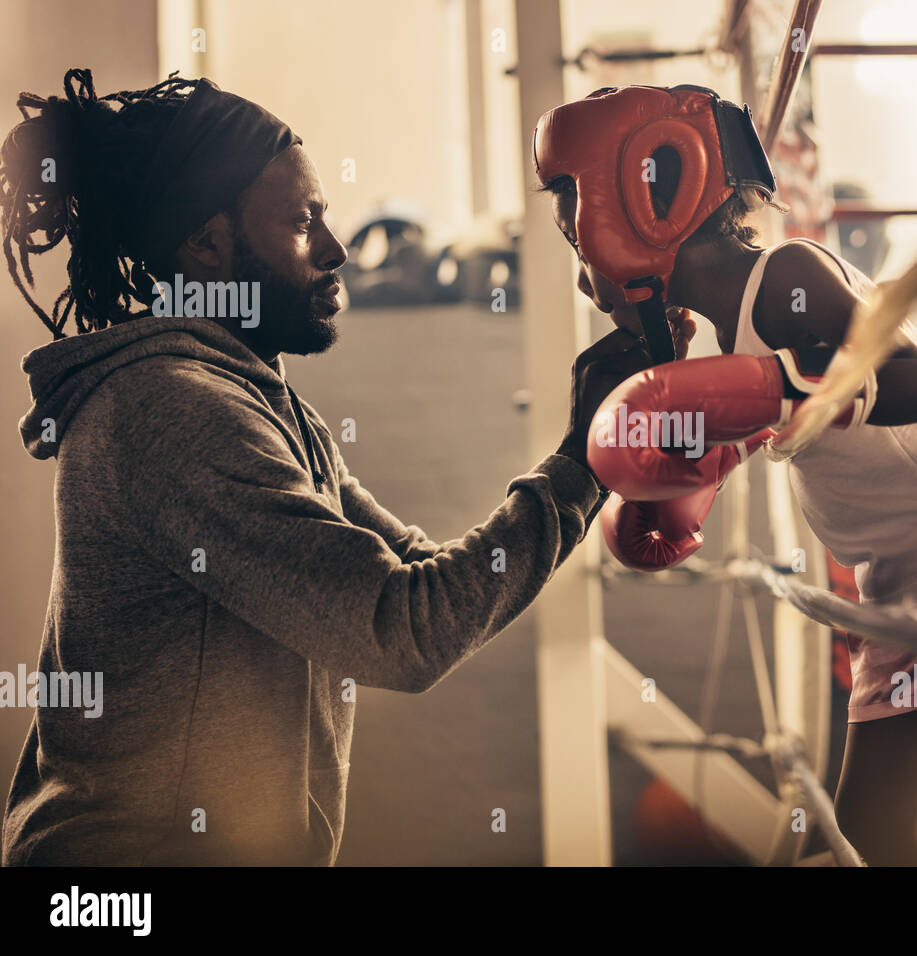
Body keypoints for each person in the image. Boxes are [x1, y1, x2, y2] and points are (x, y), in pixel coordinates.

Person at [0, 69, 651, 865]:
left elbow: (421, 582)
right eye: (305, 222)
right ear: (207, 243)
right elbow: (403, 631)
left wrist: (589, 458)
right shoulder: (172, 411)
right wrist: (583, 458)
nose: (337, 250)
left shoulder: (260, 404)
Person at [535, 84, 917, 866]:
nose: (582, 270)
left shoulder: (790, 275)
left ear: (644, 212)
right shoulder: (726, 344)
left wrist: (775, 389)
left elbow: (915, 387)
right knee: (874, 829)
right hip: (900, 586)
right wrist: (664, 472)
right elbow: (719, 458)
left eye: (578, 241)